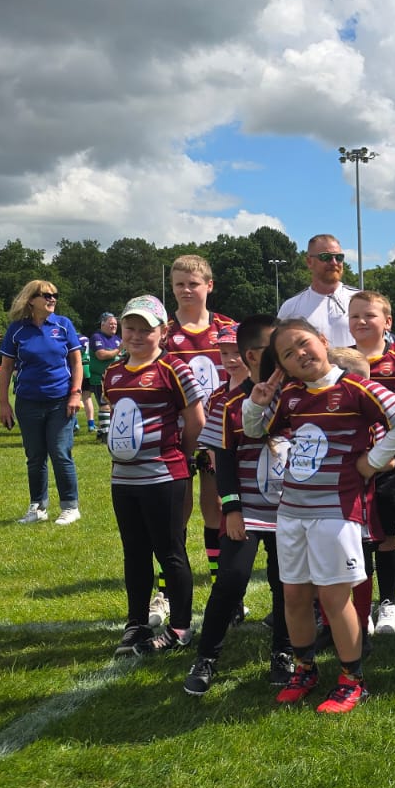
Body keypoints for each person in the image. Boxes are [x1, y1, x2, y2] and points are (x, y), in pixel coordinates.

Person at [243, 319, 395, 714]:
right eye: (288, 354)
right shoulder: (290, 395)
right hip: (291, 512)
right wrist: (257, 401)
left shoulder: (354, 387)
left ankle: (353, 680)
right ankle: (305, 670)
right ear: (283, 366)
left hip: (336, 512)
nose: (300, 355)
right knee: (294, 596)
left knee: (335, 598)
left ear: (323, 341)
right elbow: (253, 431)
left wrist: (373, 461)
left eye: (304, 344)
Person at [185, 316, 287, 695]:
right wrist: (231, 508)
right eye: (276, 348)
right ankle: (206, 657)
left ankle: (283, 652)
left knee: (286, 584)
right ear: (252, 355)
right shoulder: (227, 402)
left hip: (291, 511)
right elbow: (223, 459)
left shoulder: (298, 394)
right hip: (247, 511)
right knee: (230, 580)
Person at [103, 295, 205, 658]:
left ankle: (180, 627)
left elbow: (196, 420)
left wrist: (182, 458)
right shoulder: (113, 373)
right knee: (134, 552)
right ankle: (136, 623)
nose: (135, 335)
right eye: (129, 327)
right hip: (124, 479)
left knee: (170, 551)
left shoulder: (173, 368)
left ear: (163, 332)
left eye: (145, 329)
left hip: (164, 476)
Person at [349, 291, 395, 635]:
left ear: (388, 322)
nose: (361, 321)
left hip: (390, 465)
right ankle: (360, 605)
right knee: (356, 537)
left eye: (369, 315)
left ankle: (388, 602)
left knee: (388, 536)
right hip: (351, 466)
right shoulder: (340, 359)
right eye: (354, 316)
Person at [164, 254, 237, 589]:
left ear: (209, 285)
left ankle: (221, 582)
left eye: (193, 284)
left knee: (216, 506)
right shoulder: (163, 332)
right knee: (176, 509)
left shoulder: (227, 328)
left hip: (219, 434)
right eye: (179, 284)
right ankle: (169, 586)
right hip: (175, 435)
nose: (186, 290)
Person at [0, 280, 85, 525]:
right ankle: (38, 507)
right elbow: (6, 368)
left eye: (55, 295)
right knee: (35, 456)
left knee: (60, 452)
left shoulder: (63, 325)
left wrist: (76, 393)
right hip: (28, 402)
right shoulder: (17, 329)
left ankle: (70, 506)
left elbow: (77, 362)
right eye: (46, 295)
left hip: (60, 401)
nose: (52, 299)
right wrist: (4, 403)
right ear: (31, 299)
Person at [277, 233, 356, 346]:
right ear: (309, 262)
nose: (334, 262)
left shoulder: (361, 301)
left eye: (339, 257)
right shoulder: (290, 308)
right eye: (326, 257)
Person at [90, 313, 122, 437]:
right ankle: (105, 434)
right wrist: (119, 350)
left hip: (115, 378)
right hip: (100, 378)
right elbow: (101, 355)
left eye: (115, 324)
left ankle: (102, 430)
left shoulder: (117, 339)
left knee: (114, 405)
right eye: (111, 324)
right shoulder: (97, 337)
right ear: (102, 325)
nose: (114, 326)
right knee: (105, 405)